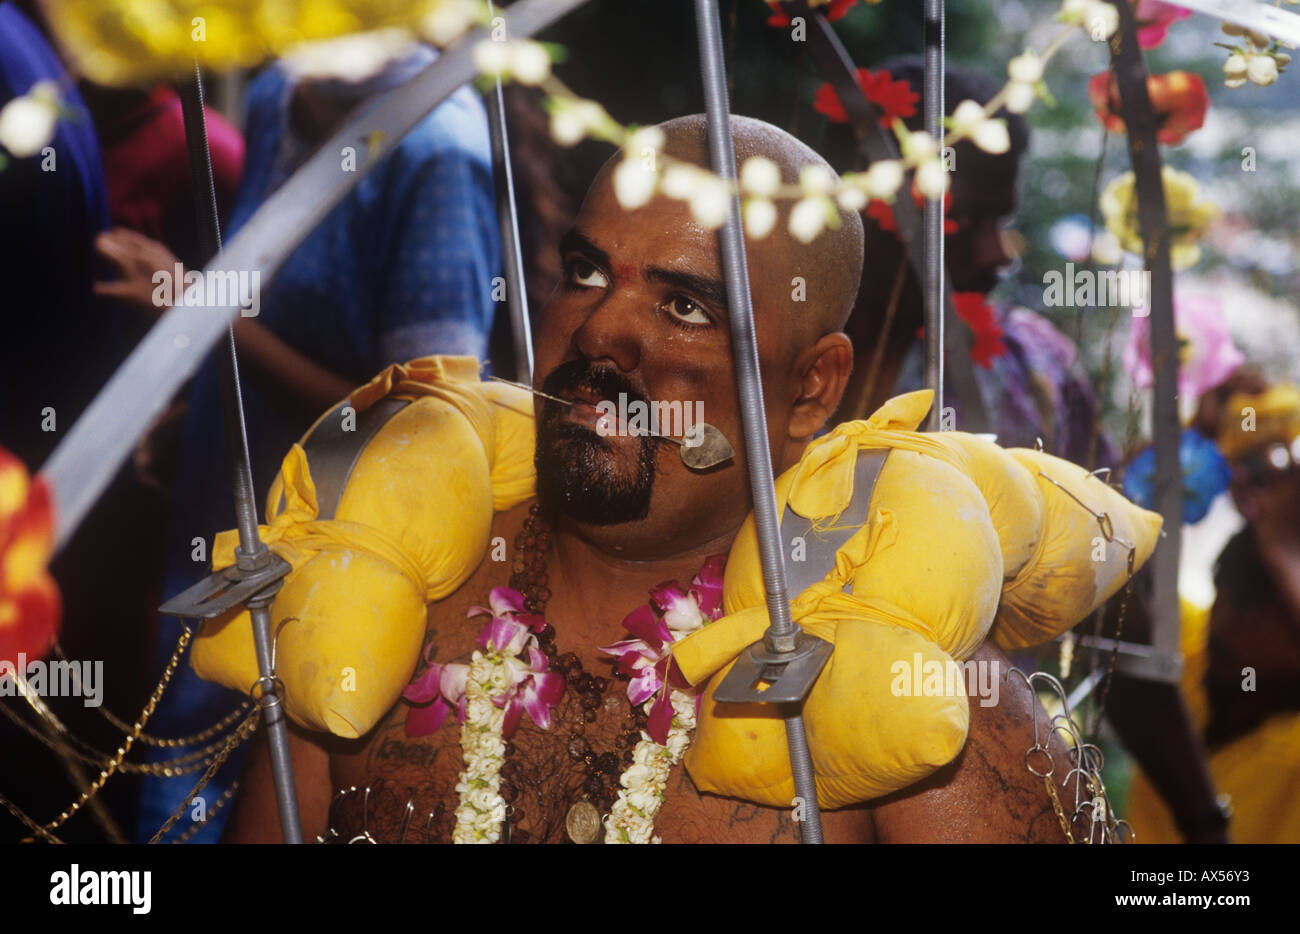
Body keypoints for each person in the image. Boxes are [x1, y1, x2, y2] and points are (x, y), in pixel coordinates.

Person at [224, 114, 1105, 844]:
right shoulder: (376, 611)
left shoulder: (902, 696)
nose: (601, 330)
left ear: (812, 388)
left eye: (685, 305)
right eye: (586, 273)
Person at [94, 46, 503, 842]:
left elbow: (428, 422)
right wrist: (204, 420)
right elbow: (271, 312)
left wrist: (199, 311)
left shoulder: (437, 150)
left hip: (326, 574)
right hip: (222, 520)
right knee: (175, 781)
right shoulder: (283, 91)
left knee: (262, 794)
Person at [833, 58, 1116, 470]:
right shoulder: (763, 363)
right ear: (868, 206)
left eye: (1002, 221)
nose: (999, 253)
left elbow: (1111, 516)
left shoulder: (1033, 361)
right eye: (966, 221)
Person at [1125, 376, 1300, 844]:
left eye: (1253, 608)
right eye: (1226, 593)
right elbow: (1110, 565)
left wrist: (1287, 551)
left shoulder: (1292, 750)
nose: (1226, 624)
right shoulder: (1197, 651)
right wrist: (1189, 449)